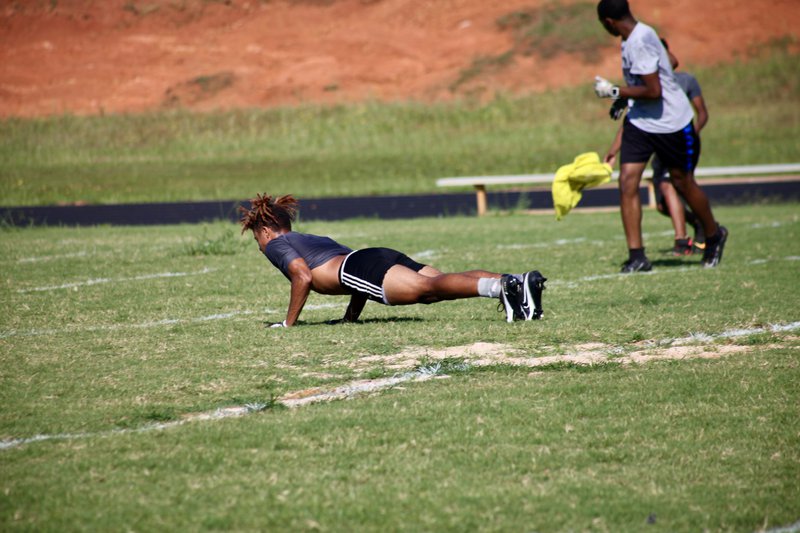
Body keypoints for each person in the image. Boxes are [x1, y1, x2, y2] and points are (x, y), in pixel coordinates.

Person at [239, 193, 546, 326]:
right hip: (374, 257)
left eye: (257, 239)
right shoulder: (310, 239)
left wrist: (288, 324)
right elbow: (352, 272)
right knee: (436, 285)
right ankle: (517, 283)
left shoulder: (277, 244)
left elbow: (303, 276)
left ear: (266, 230)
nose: (259, 246)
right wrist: (350, 319)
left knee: (430, 288)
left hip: (363, 266)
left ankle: (502, 287)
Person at [594, 0, 728, 272]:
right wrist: (625, 99)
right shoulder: (631, 37)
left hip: (671, 124)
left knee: (683, 182)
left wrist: (615, 92)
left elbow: (654, 90)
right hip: (642, 122)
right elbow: (668, 65)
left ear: (609, 22)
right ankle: (637, 256)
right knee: (627, 181)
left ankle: (714, 235)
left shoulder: (640, 41)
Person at [650, 38, 709, 255]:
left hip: (680, 142)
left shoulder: (684, 81)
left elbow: (702, 113)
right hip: (658, 143)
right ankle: (703, 224)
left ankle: (681, 241)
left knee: (670, 185)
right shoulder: (649, 85)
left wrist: (694, 132)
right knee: (662, 205)